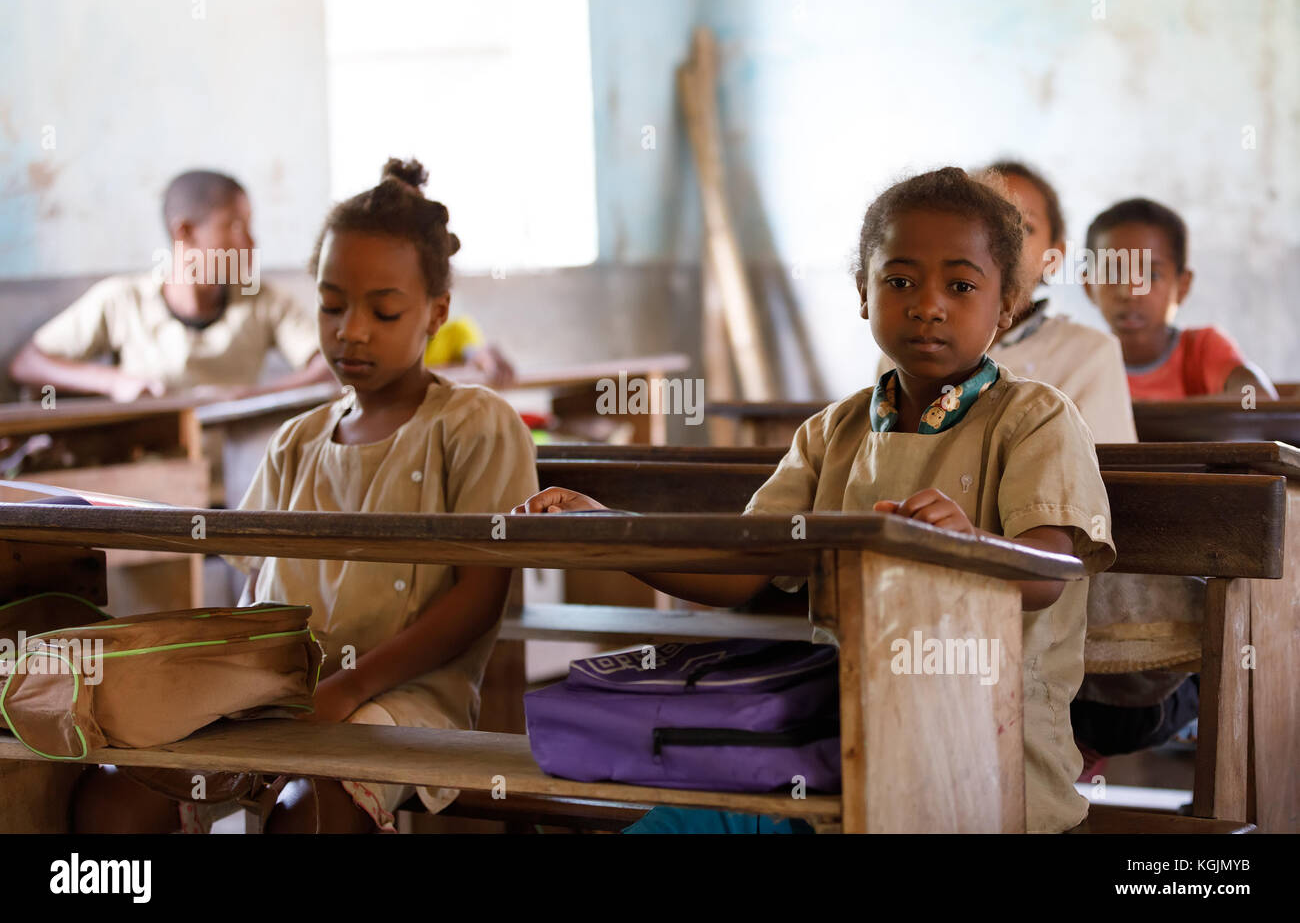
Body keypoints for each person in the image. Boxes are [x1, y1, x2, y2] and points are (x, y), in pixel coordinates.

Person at [517, 167, 1116, 833]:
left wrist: (967, 545)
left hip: (990, 759)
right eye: (899, 281)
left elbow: (1047, 574)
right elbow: (735, 568)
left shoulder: (1034, 418)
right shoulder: (834, 434)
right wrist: (609, 526)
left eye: (961, 284)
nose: (928, 304)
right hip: (831, 747)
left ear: (1006, 304)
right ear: (864, 293)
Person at [71, 158, 538, 833]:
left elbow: (477, 600)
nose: (350, 330)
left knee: (308, 818)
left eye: (383, 311)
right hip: (277, 686)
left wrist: (346, 688)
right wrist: (216, 684)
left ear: (436, 312)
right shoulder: (299, 439)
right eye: (331, 305)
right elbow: (257, 581)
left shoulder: (473, 424)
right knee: (112, 801)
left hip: (403, 696)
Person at [9, 170, 333, 402]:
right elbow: (28, 364)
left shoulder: (265, 301)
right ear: (185, 233)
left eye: (249, 227)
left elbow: (328, 367)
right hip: (154, 479)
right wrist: (113, 381)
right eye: (234, 226)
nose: (250, 241)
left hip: (239, 480)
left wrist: (249, 396)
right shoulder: (123, 301)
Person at [876, 160, 1136, 444]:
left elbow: (1104, 472)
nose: (1005, 244)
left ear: (1055, 255)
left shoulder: (1090, 352)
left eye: (1024, 227)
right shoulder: (912, 341)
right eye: (984, 226)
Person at [1084, 197, 1277, 401]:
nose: (1130, 292)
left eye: (1152, 276)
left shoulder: (1200, 351)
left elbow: (1258, 399)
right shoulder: (1079, 361)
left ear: (1182, 286)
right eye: (1113, 274)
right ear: (1089, 286)